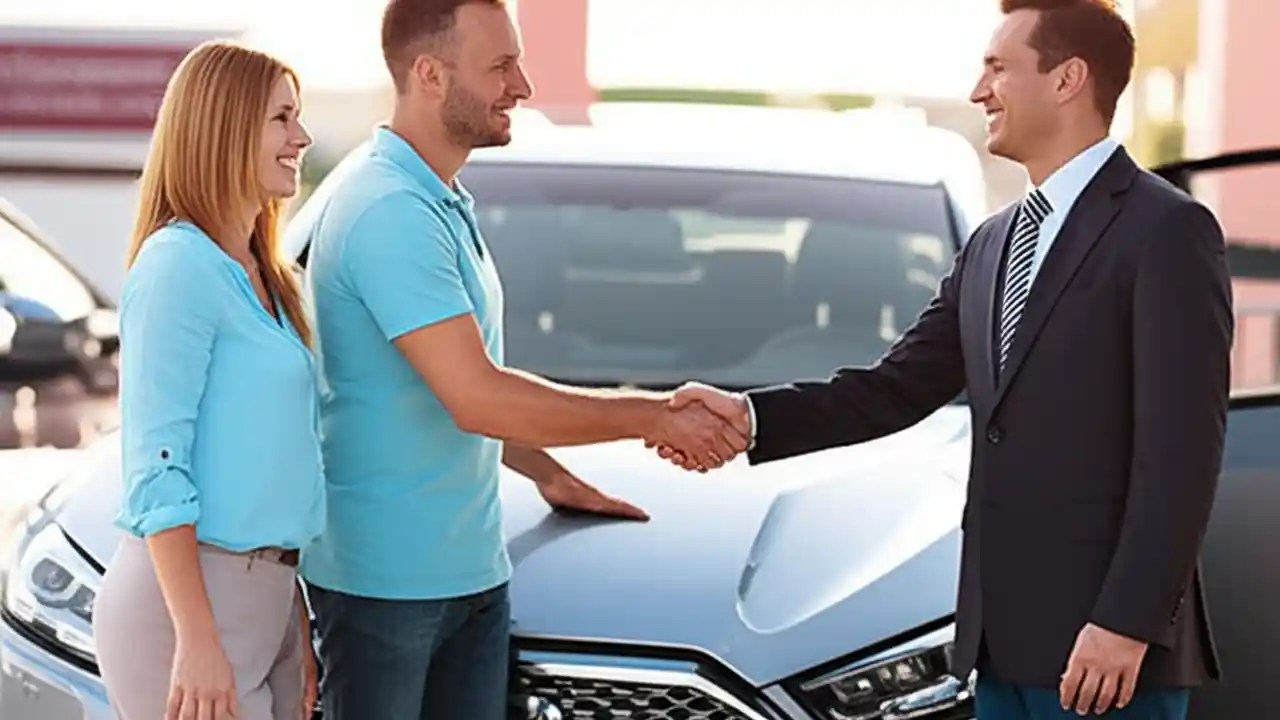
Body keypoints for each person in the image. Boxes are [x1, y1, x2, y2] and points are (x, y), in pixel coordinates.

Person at [659, 1, 1232, 718]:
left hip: (1109, 653)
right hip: (1000, 641)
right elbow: (894, 389)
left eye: (998, 68)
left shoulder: (1168, 232)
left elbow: (1181, 453)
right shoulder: (992, 244)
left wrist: (1126, 621)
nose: (977, 91)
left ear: (1068, 79)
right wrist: (748, 417)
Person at [289, 1, 747, 717]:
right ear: (430, 75)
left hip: (467, 575)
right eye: (500, 66)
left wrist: (547, 470)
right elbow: (477, 395)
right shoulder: (389, 210)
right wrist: (653, 414)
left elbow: (435, 385)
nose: (523, 86)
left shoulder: (436, 197)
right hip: (387, 587)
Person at [92, 41, 324, 720]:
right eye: (282, 118)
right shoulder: (177, 267)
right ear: (225, 129)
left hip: (265, 601)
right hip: (183, 616)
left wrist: (290, 613)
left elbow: (276, 460)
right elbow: (157, 467)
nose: (302, 137)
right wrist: (197, 639)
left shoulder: (272, 280)